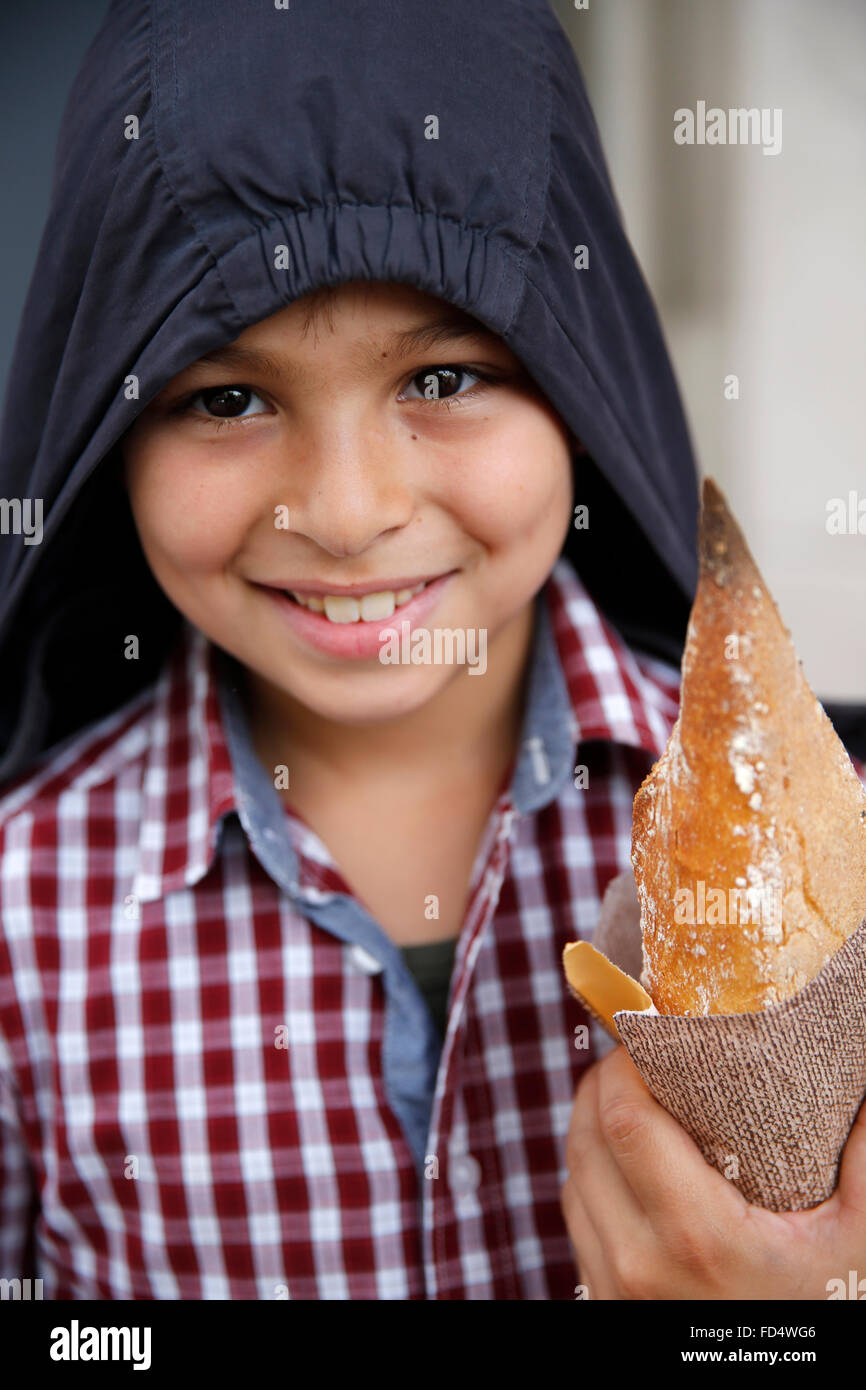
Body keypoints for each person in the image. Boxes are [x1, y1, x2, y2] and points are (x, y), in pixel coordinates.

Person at [0, 0, 863, 1301]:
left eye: (443, 378)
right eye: (226, 398)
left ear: (579, 384)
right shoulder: (23, 913)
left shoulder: (835, 859)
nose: (347, 513)